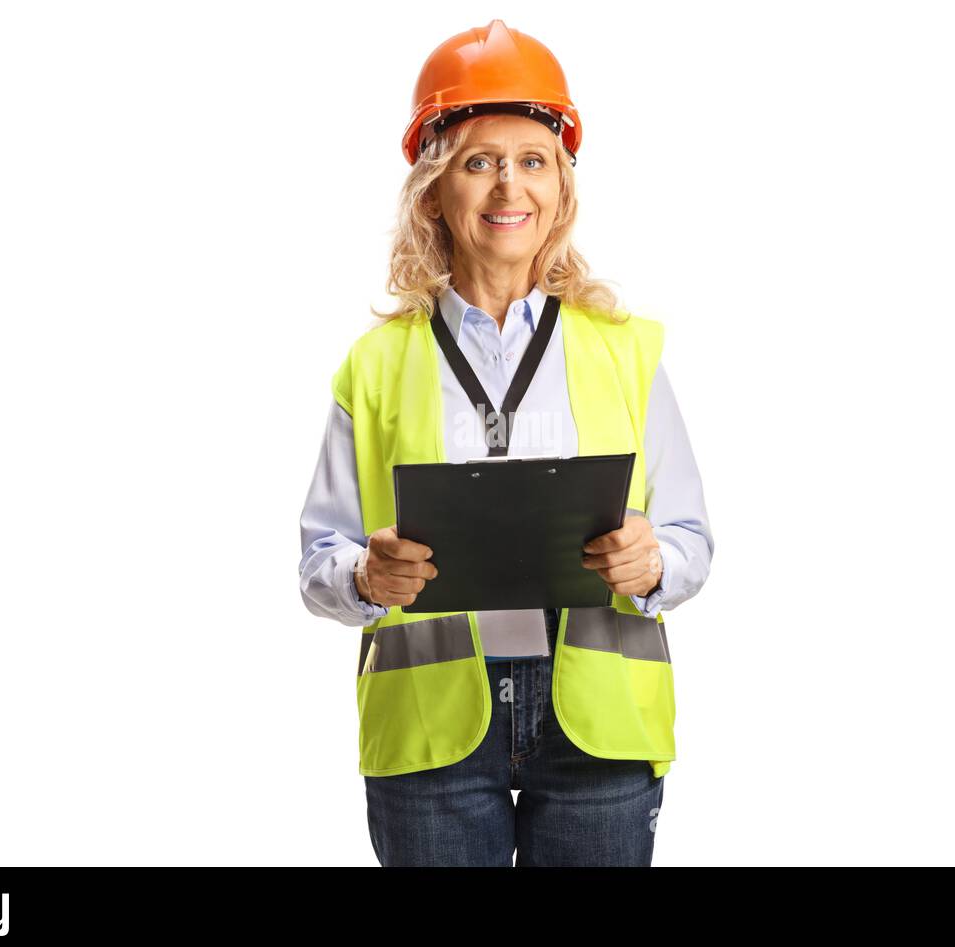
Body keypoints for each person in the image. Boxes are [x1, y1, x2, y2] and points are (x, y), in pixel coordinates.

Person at [299, 19, 713, 866]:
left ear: (560, 188)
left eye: (531, 161)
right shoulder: (374, 366)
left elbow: (691, 540)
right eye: (478, 162)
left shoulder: (624, 348)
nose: (506, 188)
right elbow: (319, 560)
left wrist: (655, 564)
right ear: (432, 190)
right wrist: (364, 577)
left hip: (597, 726)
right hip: (431, 733)